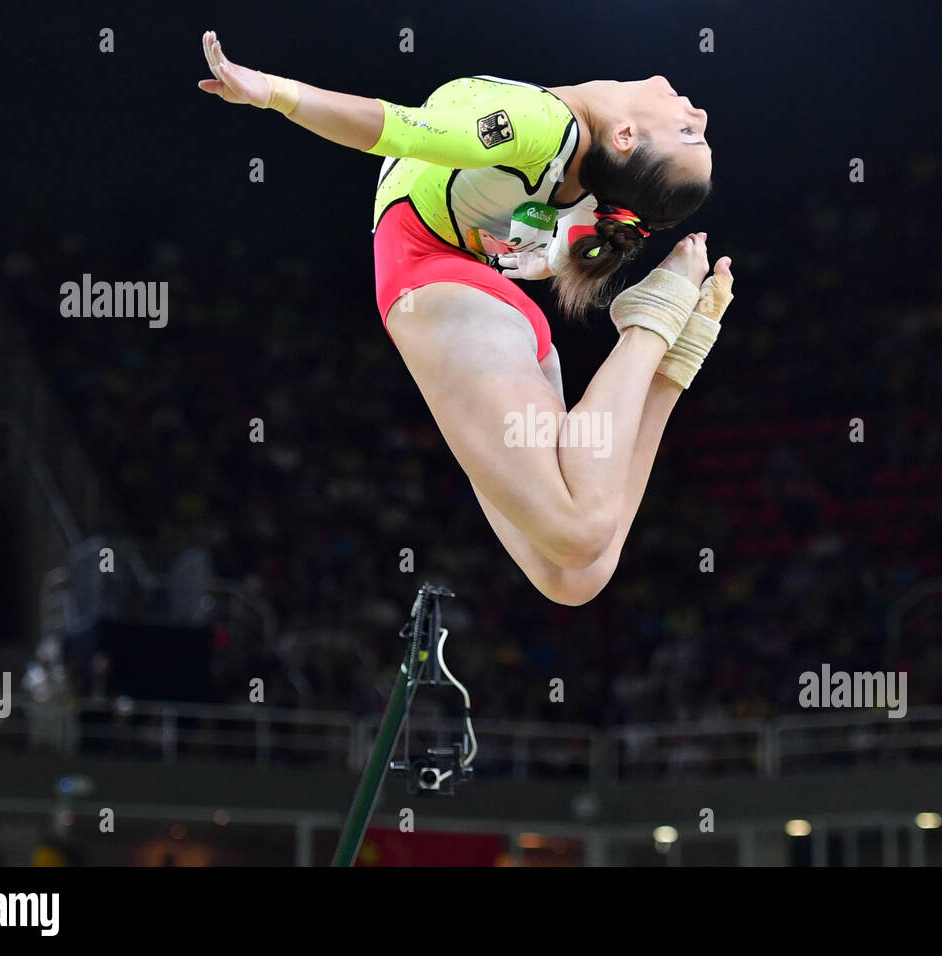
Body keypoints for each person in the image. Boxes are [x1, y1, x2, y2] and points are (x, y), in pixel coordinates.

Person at [198, 32, 735, 604]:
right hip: (472, 307)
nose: (697, 111)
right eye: (696, 131)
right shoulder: (586, 167)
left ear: (626, 137)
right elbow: (556, 243)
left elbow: (396, 129)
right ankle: (667, 362)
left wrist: (276, 93)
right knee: (575, 576)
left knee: (578, 541)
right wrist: (534, 256)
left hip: (438, 281)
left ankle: (652, 322)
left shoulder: (539, 123)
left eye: (687, 132)